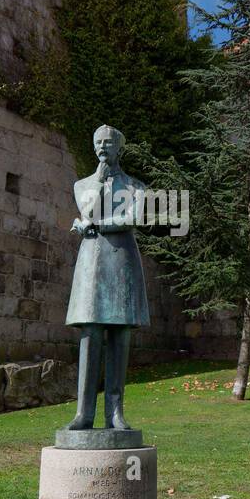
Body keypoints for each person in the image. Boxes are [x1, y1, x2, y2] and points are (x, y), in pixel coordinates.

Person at [64, 125, 150, 430]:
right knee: (90, 334)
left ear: (118, 148)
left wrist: (94, 225)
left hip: (122, 261)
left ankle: (115, 413)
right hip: (93, 263)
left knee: (120, 337)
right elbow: (87, 207)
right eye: (98, 142)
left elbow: (132, 219)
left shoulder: (135, 187)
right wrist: (99, 179)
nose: (102, 147)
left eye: (108, 143)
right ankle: (83, 413)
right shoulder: (82, 184)